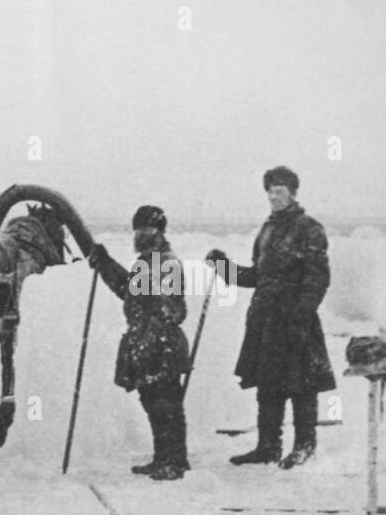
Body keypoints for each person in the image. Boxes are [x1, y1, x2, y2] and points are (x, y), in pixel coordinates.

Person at [207, 166, 335, 468]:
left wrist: (300, 316)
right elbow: (256, 276)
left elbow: (317, 279)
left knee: (301, 385)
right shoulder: (267, 230)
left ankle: (305, 446)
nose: (273, 197)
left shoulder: (309, 228)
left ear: (292, 192)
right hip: (265, 319)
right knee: (268, 385)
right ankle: (268, 447)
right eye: (270, 192)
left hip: (295, 319)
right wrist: (223, 267)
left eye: (279, 191)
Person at [88, 205, 191, 480]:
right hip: (145, 342)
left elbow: (174, 309)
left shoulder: (166, 262)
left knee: (167, 403)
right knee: (152, 402)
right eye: (139, 229)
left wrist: (152, 333)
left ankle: (176, 461)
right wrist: (105, 264)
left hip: (162, 345)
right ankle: (163, 457)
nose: (142, 234)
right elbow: (128, 291)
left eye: (148, 229)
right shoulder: (146, 263)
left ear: (160, 231)